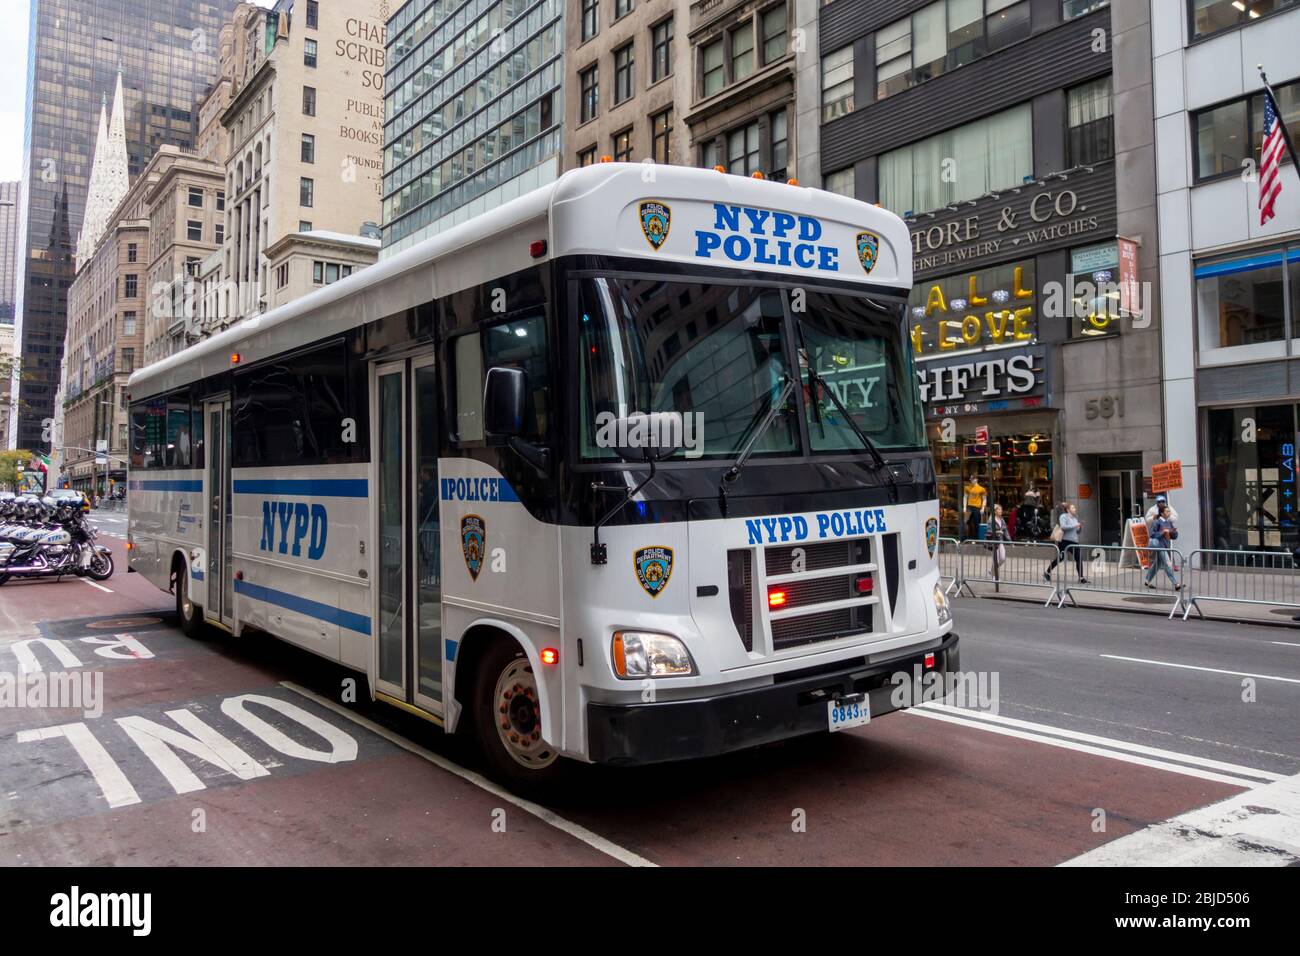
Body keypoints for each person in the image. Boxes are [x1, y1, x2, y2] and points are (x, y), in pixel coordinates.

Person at [1044, 502, 1088, 584]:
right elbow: (1063, 527)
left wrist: (1079, 527)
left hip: (1074, 542)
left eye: (1074, 508)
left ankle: (1081, 578)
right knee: (1060, 558)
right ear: (1068, 510)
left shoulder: (1075, 519)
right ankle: (1047, 572)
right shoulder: (1063, 516)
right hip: (1065, 541)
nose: (1075, 509)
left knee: (1079, 558)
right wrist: (1075, 525)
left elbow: (1077, 532)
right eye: (1073, 508)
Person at [1144, 504, 1181, 591]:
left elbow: (1173, 536)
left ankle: (1147, 580)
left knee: (1157, 565)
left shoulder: (1169, 522)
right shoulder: (1156, 522)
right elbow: (1152, 535)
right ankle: (1176, 583)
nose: (1169, 513)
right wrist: (1162, 532)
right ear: (1162, 513)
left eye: (1169, 511)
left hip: (1165, 545)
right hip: (1159, 546)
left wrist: (1174, 532)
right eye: (1167, 511)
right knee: (1168, 564)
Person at [988, 502, 1009, 576]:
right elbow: (989, 531)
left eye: (1001, 509)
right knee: (996, 560)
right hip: (994, 541)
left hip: (1000, 541)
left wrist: (1010, 541)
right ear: (995, 511)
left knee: (1002, 558)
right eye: (999, 509)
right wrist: (997, 531)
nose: (1001, 511)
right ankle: (994, 576)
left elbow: (1005, 530)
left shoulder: (1002, 519)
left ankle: (992, 570)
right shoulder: (991, 519)